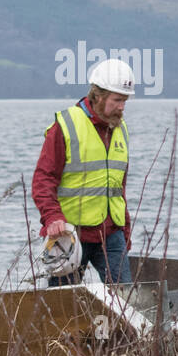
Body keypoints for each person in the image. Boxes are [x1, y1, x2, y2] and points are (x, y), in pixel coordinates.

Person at [32, 58, 137, 286]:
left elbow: (119, 187)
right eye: (117, 100)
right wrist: (52, 217)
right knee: (63, 308)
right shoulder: (67, 125)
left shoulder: (121, 129)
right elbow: (43, 180)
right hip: (70, 235)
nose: (122, 107)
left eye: (125, 101)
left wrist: (125, 230)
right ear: (98, 95)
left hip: (111, 235)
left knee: (127, 303)